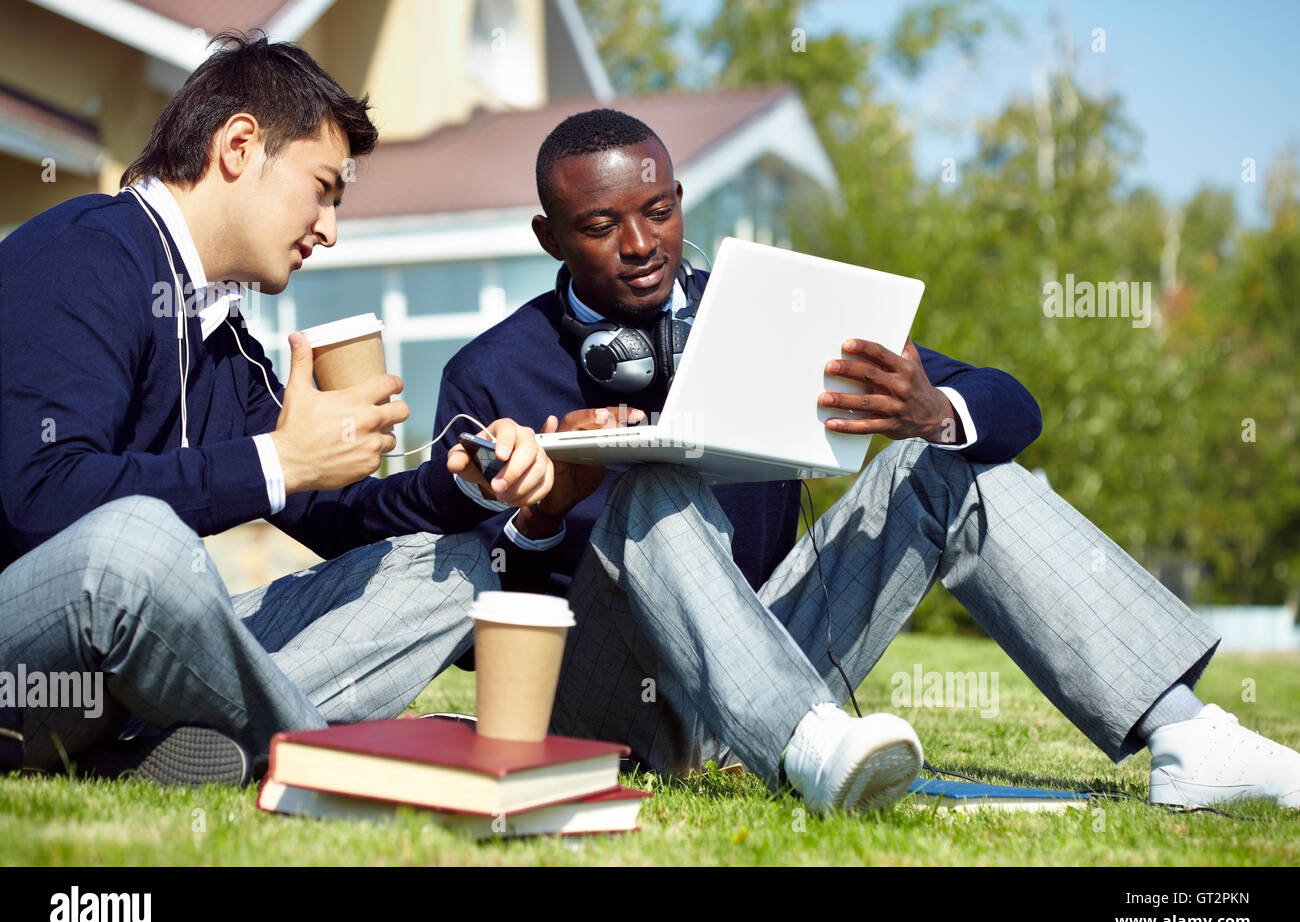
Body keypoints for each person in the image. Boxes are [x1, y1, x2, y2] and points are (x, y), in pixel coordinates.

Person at [435, 108, 1300, 815]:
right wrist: (544, 515)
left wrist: (934, 412)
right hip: (609, 702)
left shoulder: (762, 310)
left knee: (933, 463)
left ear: (681, 200)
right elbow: (473, 624)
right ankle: (808, 742)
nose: (641, 243)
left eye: (658, 211)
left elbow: (1012, 406)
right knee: (652, 489)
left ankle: (1189, 738)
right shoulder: (488, 373)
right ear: (551, 237)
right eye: (601, 225)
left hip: (777, 655)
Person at [0, 34, 553, 786]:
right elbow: (41, 500)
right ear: (238, 146)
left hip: (122, 680)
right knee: (137, 544)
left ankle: (158, 754)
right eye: (323, 188)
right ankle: (312, 753)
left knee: (454, 570)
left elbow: (337, 512)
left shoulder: (221, 336)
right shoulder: (82, 256)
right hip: (27, 661)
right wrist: (278, 460)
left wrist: (464, 481)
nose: (329, 227)